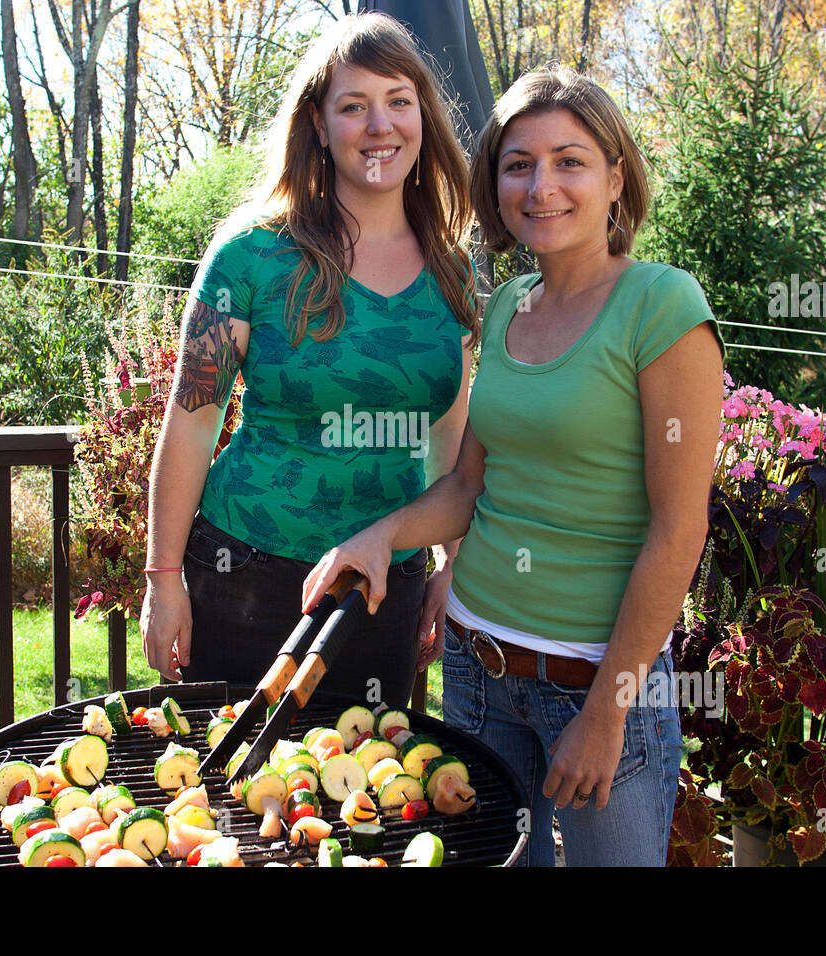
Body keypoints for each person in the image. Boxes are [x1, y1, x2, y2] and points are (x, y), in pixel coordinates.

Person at [303, 68, 725, 865]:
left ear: (615, 176)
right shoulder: (506, 308)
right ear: (494, 182)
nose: (542, 185)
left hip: (598, 686)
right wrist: (379, 537)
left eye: (570, 160)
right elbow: (469, 486)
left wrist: (606, 713)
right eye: (518, 163)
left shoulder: (662, 307)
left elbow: (679, 531)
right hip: (474, 670)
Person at [139, 12, 478, 710]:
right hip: (244, 579)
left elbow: (448, 438)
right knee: (227, 796)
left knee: (370, 793)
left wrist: (451, 563)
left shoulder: (453, 273)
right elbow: (193, 422)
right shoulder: (249, 255)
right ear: (319, 127)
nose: (379, 125)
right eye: (353, 106)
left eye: (398, 101)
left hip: (383, 591)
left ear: (423, 117)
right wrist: (163, 576)